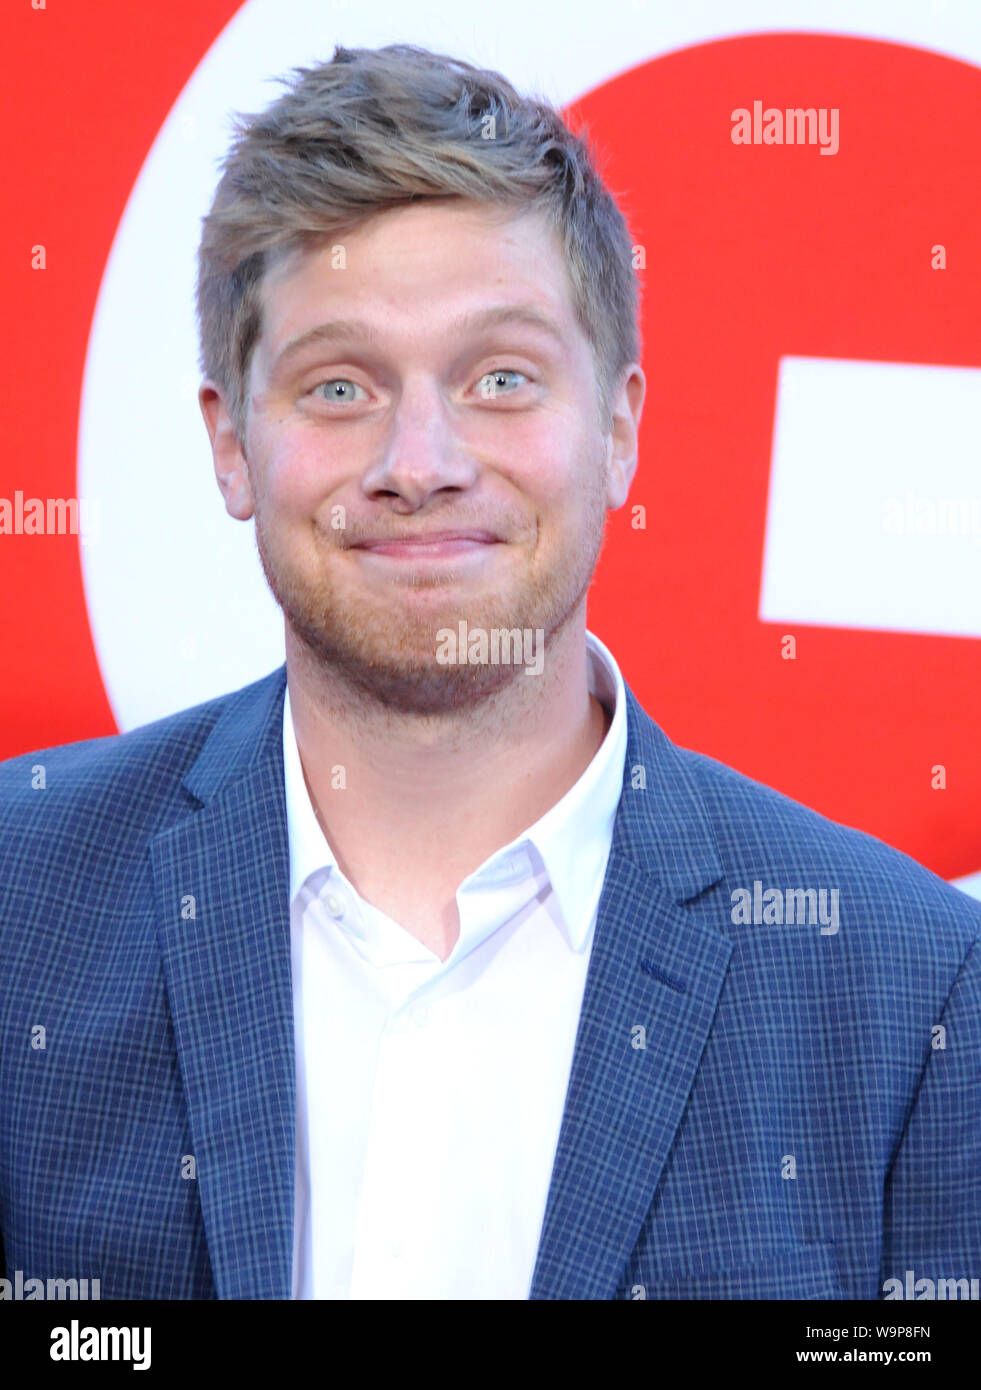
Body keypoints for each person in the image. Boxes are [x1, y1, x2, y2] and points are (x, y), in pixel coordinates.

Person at [1, 43, 978, 1302]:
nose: (422, 459)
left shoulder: (911, 997)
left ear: (619, 430)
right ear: (231, 444)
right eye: (339, 384)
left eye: (501, 378)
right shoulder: (20, 899)